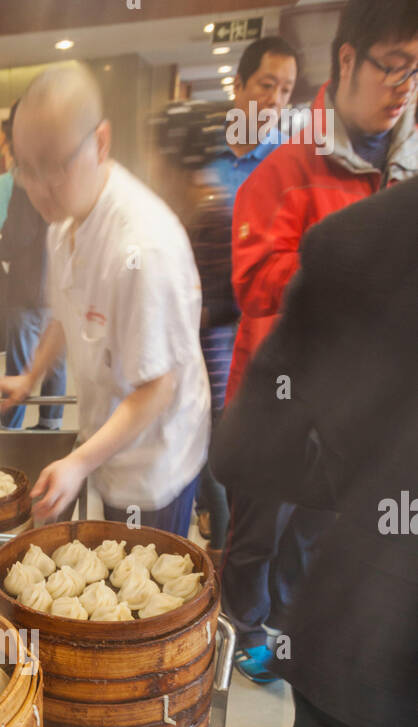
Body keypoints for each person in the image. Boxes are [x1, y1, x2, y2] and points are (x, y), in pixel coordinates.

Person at [209, 175, 418, 727]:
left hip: (367, 605)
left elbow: (251, 447)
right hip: (366, 605)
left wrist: (360, 493)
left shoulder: (363, 240)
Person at [222, 0, 418, 682]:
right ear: (347, 60)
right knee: (256, 533)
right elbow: (254, 284)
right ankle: (240, 633)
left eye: (416, 71)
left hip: (359, 414)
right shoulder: (286, 168)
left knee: (314, 533)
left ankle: (283, 639)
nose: (404, 87)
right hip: (280, 401)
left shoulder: (406, 167)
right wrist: (350, 272)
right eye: (393, 66)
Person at [0, 63, 209, 535]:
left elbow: (158, 388)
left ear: (102, 142)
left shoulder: (143, 247)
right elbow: (64, 317)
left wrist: (77, 462)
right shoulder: (63, 225)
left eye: (55, 167)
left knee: (149, 572)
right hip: (108, 441)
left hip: (154, 462)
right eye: (26, 169)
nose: (39, 187)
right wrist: (31, 376)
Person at [189, 37, 299, 554]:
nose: (276, 100)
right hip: (194, 324)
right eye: (266, 85)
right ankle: (215, 528)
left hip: (255, 331)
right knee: (198, 429)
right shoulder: (201, 156)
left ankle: (233, 548)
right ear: (238, 87)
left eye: (286, 90)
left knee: (239, 440)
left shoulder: (287, 165)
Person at [0, 101, 67, 433]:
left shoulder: (24, 179)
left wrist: (2, 246)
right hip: (57, 286)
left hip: (28, 289)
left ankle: (10, 432)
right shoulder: (61, 170)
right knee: (55, 359)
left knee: (20, 364)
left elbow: (19, 234)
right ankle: (51, 426)